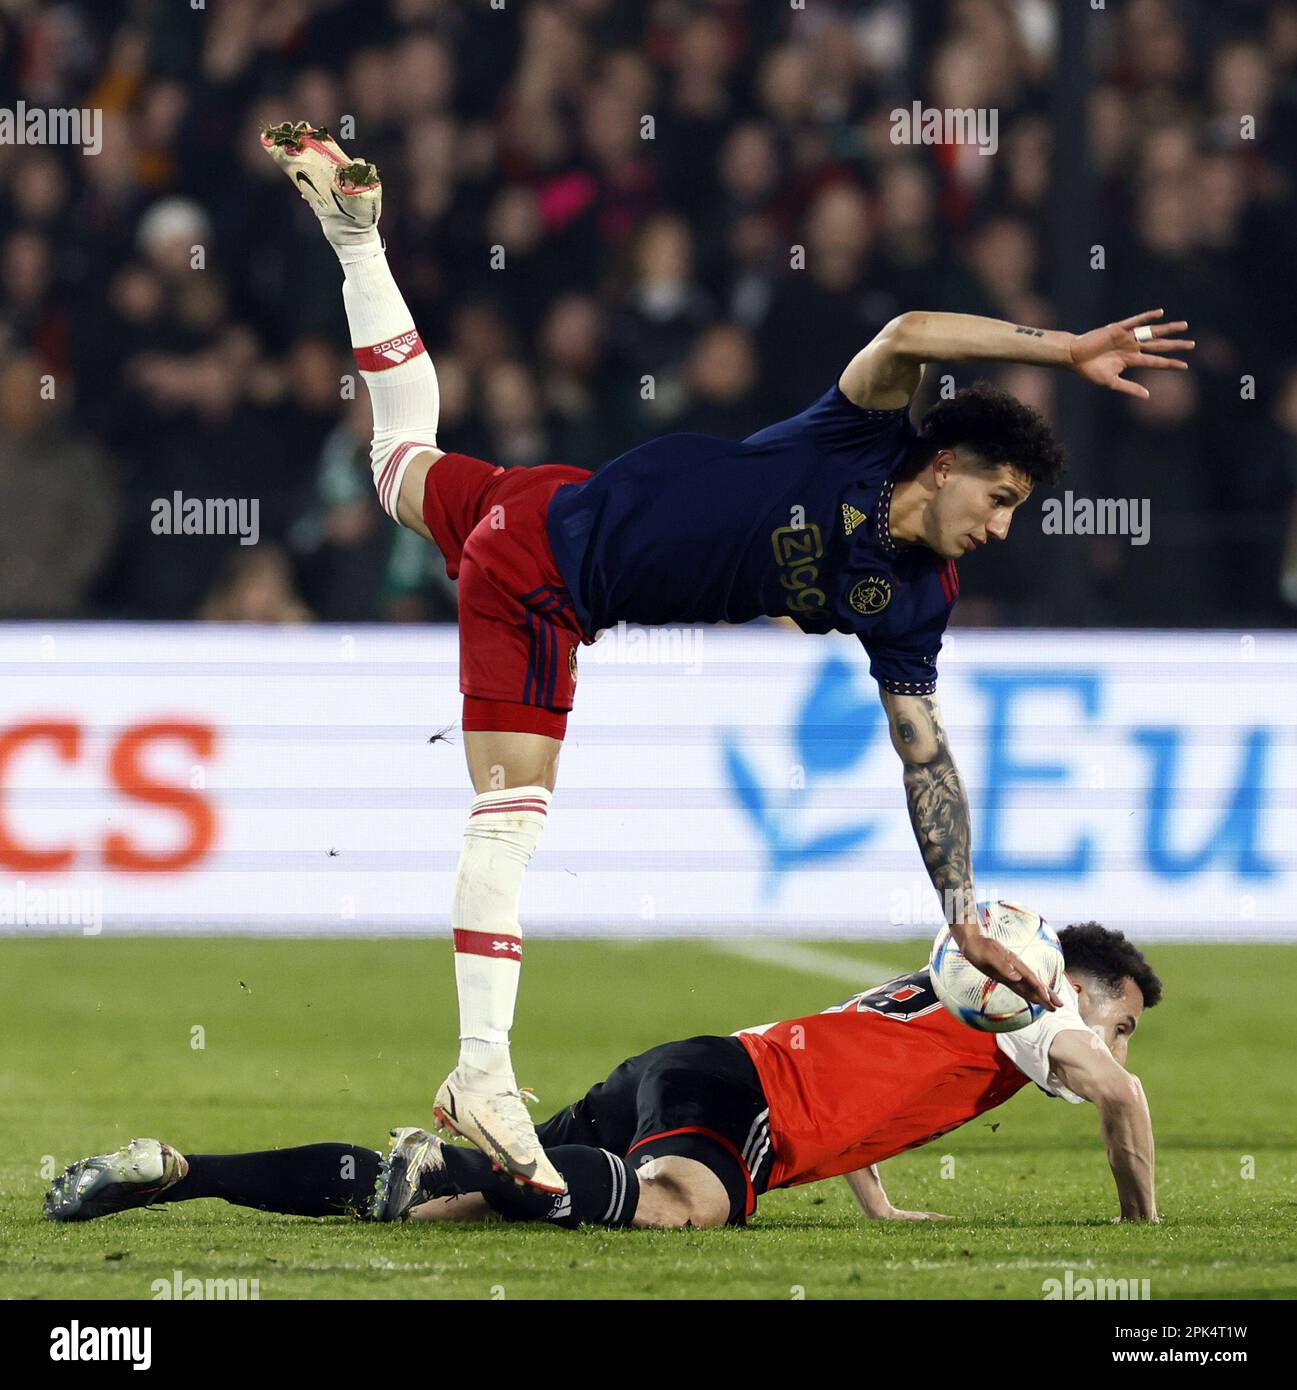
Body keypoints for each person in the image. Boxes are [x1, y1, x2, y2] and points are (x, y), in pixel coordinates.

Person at [257, 122, 1193, 1195]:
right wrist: (1064, 347)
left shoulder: (914, 596)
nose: (1000, 527)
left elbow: (920, 750)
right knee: (511, 812)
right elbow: (912, 329)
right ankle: (479, 1070)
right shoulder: (860, 436)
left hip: (548, 500)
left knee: (395, 462)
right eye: (999, 499)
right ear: (943, 467)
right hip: (545, 578)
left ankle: (355, 241)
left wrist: (960, 905)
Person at [43, 923, 1162, 1230]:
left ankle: (181, 1170)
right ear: (1091, 986)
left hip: (687, 1068)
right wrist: (1139, 1223)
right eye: (1126, 1021)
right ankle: (495, 1173)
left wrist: (874, 1188)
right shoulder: (1043, 1006)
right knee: (685, 1206)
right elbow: (1120, 1098)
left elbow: (857, 1070)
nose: (1117, 1047)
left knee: (422, 1196)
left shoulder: (957, 1001)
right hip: (727, 1100)